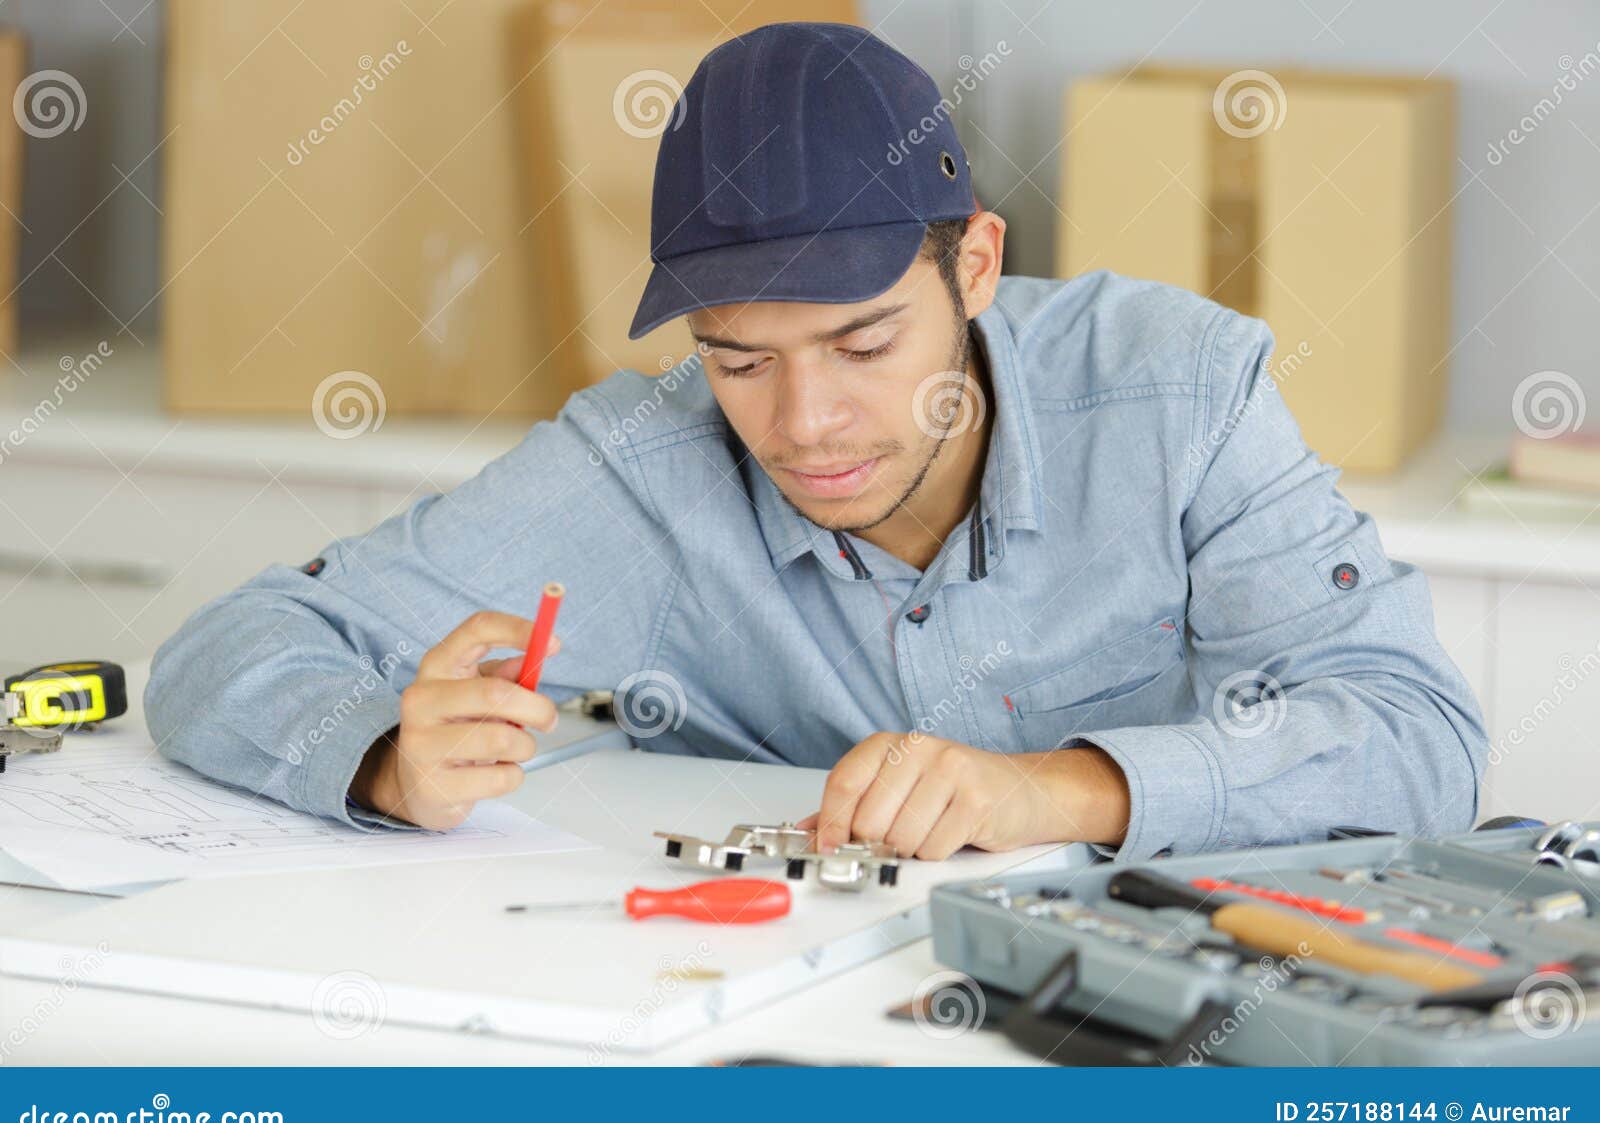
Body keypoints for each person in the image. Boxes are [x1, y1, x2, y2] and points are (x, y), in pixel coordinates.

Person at [146, 22, 1485, 862]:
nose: (804, 425)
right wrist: (381, 754)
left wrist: (1051, 793)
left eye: (861, 346)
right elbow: (230, 644)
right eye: (740, 358)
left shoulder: (1178, 394)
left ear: (974, 265)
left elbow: (1414, 735)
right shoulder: (643, 462)